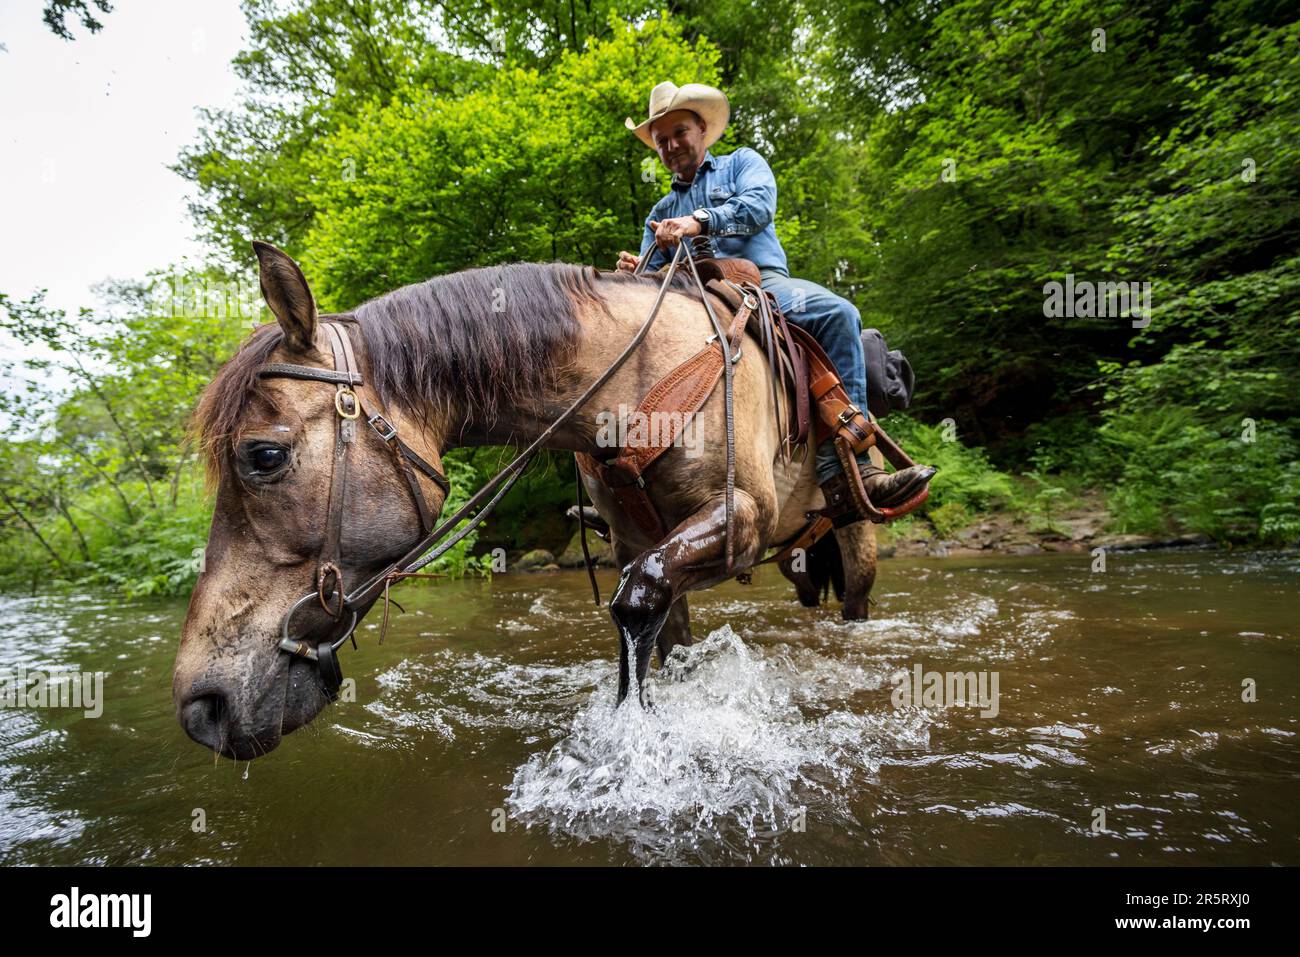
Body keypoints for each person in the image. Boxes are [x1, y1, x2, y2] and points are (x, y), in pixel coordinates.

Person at [617, 81, 934, 522]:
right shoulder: (658, 210)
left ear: (702, 129)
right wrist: (639, 271)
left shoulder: (742, 163)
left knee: (839, 313)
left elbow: (759, 206)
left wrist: (698, 221)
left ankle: (851, 467)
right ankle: (626, 489)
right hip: (690, 303)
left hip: (760, 286)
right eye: (661, 140)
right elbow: (655, 280)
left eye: (679, 133)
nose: (671, 145)